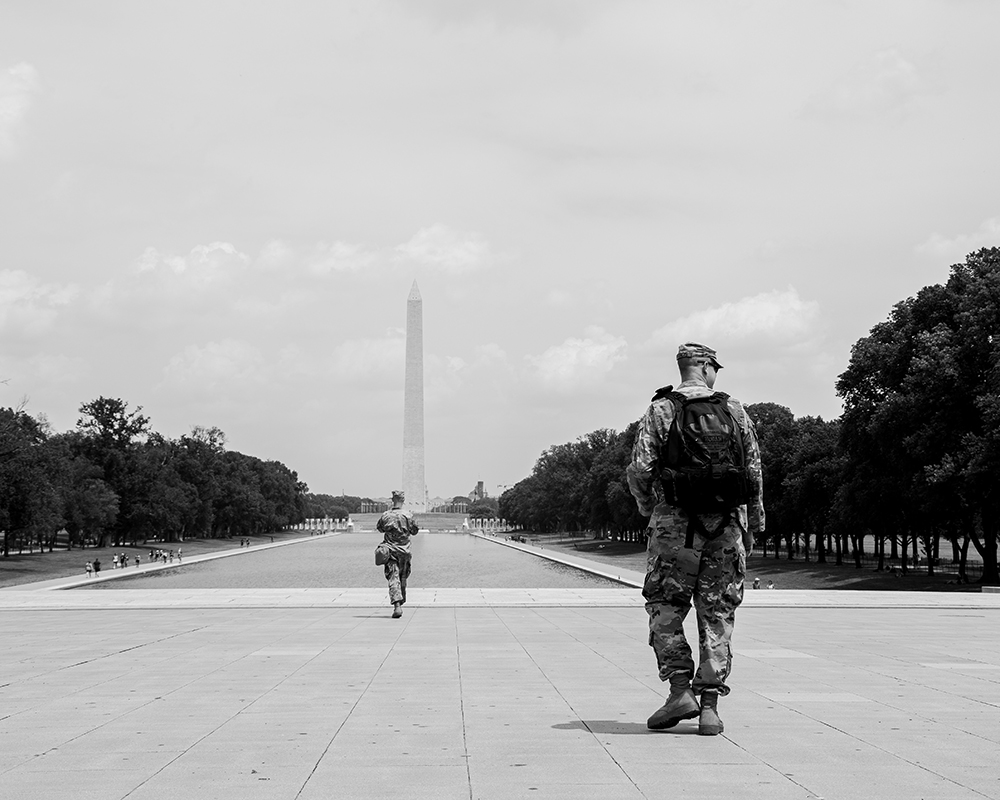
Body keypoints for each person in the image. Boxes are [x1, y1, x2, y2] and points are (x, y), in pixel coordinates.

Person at [627, 342, 764, 736]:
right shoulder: (735, 410)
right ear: (704, 366)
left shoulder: (661, 409)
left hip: (674, 527)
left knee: (665, 606)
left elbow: (640, 469)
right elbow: (753, 473)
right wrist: (752, 524)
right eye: (715, 367)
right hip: (726, 527)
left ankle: (679, 690)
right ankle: (709, 708)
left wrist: (649, 507)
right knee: (718, 612)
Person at [376, 490, 419, 618]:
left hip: (390, 551)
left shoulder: (386, 515)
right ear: (403, 500)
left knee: (393, 578)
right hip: (404, 551)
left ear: (392, 499)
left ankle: (397, 605)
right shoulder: (409, 515)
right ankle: (400, 601)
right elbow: (415, 531)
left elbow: (379, 528)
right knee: (402, 577)